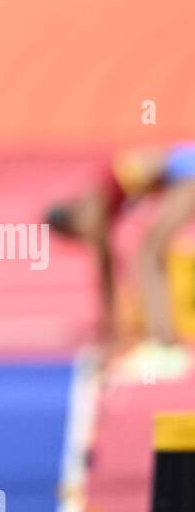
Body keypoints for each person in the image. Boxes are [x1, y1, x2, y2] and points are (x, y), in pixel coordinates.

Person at [45, 144, 195, 356]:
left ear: (73, 220)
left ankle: (163, 339)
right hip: (182, 174)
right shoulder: (100, 198)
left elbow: (106, 271)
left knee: (150, 254)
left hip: (187, 177)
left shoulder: (95, 204)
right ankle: (162, 336)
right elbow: (109, 269)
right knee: (150, 253)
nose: (86, 239)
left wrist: (110, 332)